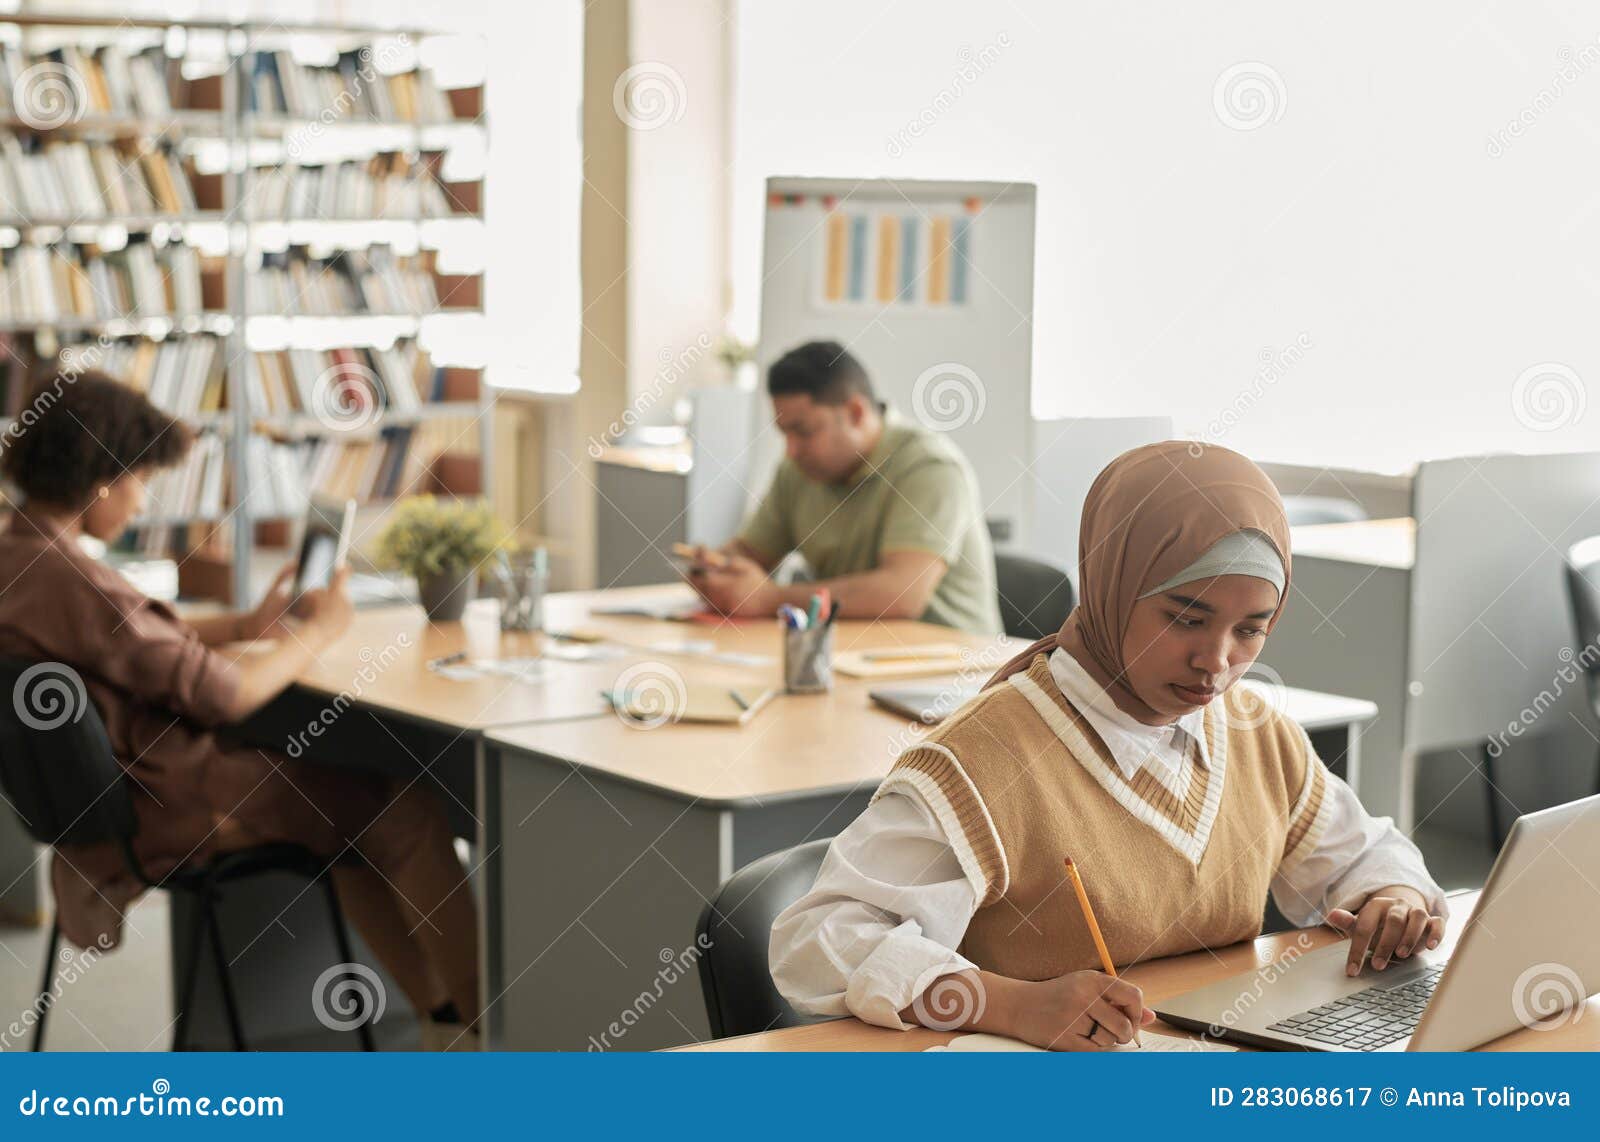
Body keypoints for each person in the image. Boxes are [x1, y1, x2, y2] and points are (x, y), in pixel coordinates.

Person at [769, 441, 1448, 1050]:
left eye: (1251, 629)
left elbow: (1362, 851)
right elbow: (816, 941)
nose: (1216, 662)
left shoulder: (1253, 731)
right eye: (1186, 618)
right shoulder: (986, 761)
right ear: (1111, 587)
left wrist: (1391, 895)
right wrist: (1006, 1004)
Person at [0, 371, 479, 1050]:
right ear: (102, 481)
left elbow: (131, 644)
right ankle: (488, 1029)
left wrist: (248, 624)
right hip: (166, 805)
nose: (141, 501)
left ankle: (441, 1019)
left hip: (106, 809)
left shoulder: (19, 557)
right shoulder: (72, 580)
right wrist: (319, 630)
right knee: (401, 810)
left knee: (349, 812)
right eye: (139, 479)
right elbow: (222, 695)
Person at [687, 341, 1002, 635]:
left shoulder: (929, 467)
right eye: (785, 434)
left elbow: (901, 593)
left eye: (804, 431)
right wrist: (716, 569)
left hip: (954, 672)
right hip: (854, 656)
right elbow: (751, 554)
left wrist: (768, 598)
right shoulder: (798, 469)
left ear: (855, 413)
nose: (791, 450)